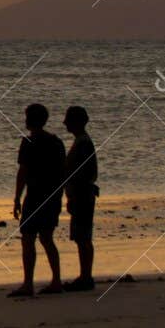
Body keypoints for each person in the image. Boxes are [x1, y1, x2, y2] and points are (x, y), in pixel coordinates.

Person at [11, 103, 66, 297]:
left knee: (28, 237)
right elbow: (62, 171)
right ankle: (56, 280)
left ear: (31, 120)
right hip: (52, 195)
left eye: (27, 117)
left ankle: (28, 283)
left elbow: (23, 172)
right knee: (46, 238)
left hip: (35, 195)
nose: (25, 120)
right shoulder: (56, 142)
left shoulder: (29, 142)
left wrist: (17, 197)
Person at [63, 105, 98, 292]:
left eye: (68, 119)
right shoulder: (82, 141)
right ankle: (85, 275)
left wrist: (74, 195)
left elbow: (83, 172)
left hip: (82, 194)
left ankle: (86, 276)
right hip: (81, 193)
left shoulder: (83, 143)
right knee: (81, 237)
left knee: (83, 236)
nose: (64, 122)